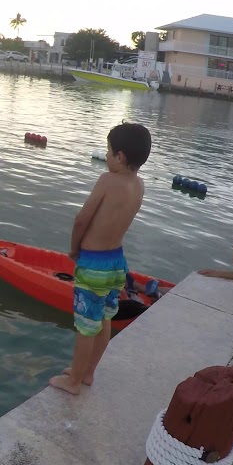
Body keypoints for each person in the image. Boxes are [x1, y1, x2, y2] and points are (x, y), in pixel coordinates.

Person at [49, 122, 153, 395]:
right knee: (105, 318)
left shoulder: (108, 180)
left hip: (93, 264)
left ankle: (73, 382)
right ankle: (87, 374)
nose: (106, 157)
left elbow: (82, 219)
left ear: (120, 156)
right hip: (116, 262)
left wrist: (74, 249)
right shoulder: (139, 185)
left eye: (108, 152)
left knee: (85, 326)